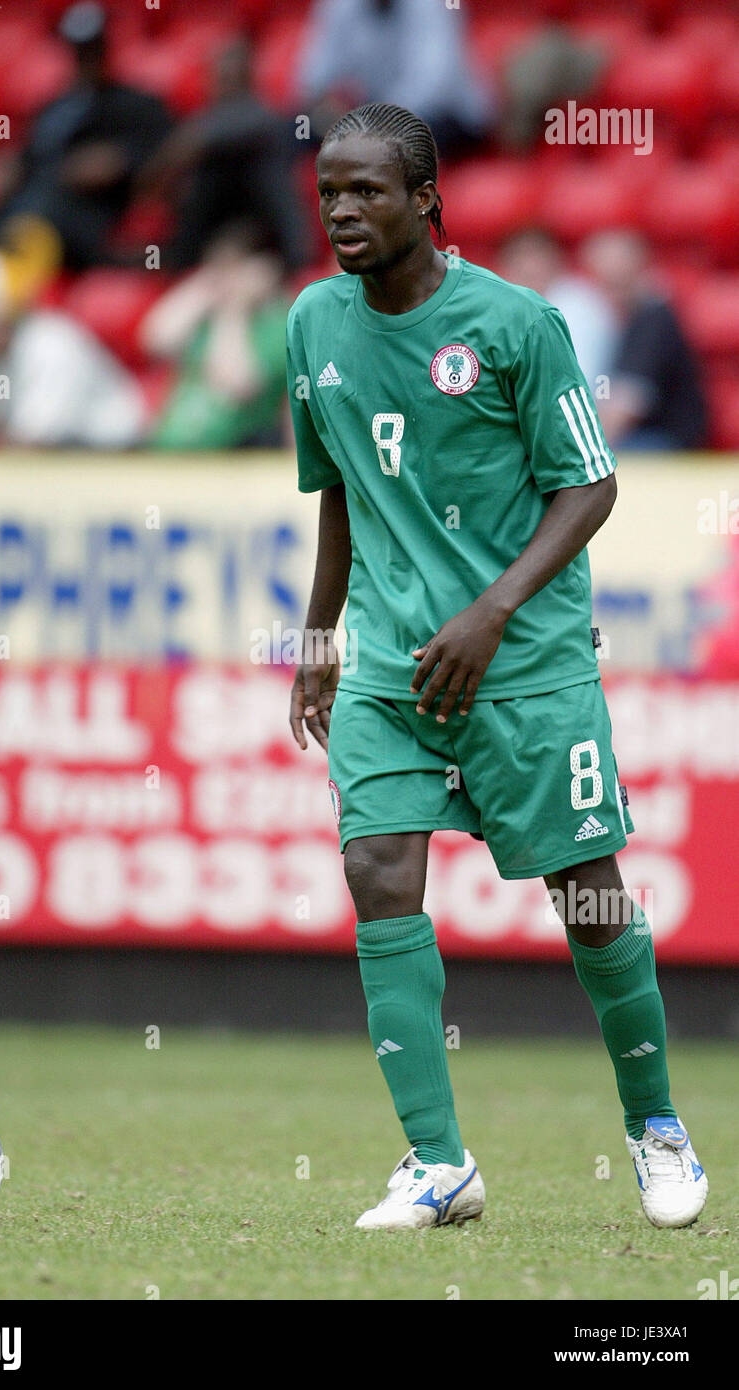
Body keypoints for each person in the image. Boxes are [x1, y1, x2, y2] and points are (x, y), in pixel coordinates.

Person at [286, 103, 707, 1232]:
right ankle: (436, 1163)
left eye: (366, 190)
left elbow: (589, 483)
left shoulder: (515, 324)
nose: (341, 210)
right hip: (390, 672)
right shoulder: (312, 325)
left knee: (589, 897)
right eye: (328, 190)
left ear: (426, 200)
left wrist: (489, 611)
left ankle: (655, 1126)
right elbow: (337, 492)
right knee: (376, 869)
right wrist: (320, 642)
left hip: (522, 667)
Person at [0, 2, 172, 269]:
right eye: (79, 50)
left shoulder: (137, 104)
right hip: (31, 203)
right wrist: (9, 167)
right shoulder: (54, 106)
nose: (86, 58)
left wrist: (120, 162)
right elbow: (28, 156)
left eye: (92, 49)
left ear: (105, 47)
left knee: (33, 224)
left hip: (87, 214)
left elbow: (160, 154)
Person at [0, 247, 144, 448]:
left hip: (110, 448)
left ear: (16, 310)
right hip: (50, 458)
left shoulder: (53, 343)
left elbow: (41, 434)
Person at [151, 35, 312, 273]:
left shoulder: (268, 125)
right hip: (206, 247)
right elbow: (153, 186)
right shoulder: (200, 131)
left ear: (250, 82)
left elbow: (248, 124)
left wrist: (193, 140)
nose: (228, 89)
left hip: (265, 249)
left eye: (235, 80)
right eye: (222, 79)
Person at [141, 221, 290, 450]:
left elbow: (235, 385)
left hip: (228, 457)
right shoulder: (204, 316)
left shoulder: (280, 323)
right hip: (166, 448)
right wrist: (204, 286)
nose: (227, 279)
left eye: (235, 268)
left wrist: (235, 311)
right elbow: (155, 341)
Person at [296, 0, 493, 156]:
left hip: (447, 116)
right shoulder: (339, 5)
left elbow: (433, 88)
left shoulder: (433, 5)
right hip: (375, 115)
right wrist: (327, 105)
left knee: (405, 140)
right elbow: (313, 79)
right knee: (298, 128)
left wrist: (368, 120)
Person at [580, 229, 708, 451]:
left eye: (620, 280)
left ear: (642, 272)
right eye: (606, 282)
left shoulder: (652, 320)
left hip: (664, 440)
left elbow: (623, 410)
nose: (613, 292)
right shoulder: (608, 322)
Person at [498, 227, 617, 393]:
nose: (529, 267)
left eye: (536, 257)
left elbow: (577, 379)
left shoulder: (581, 305)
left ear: (556, 260)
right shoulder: (498, 305)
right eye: (520, 258)